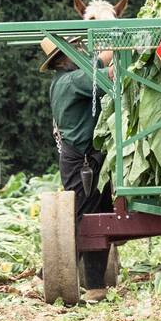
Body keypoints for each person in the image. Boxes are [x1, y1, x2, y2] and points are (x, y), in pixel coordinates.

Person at [40, 37, 114, 302]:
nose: (82, 53)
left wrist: (115, 46)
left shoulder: (71, 75)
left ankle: (90, 283)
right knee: (86, 219)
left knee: (97, 214)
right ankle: (49, 276)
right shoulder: (72, 81)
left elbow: (101, 61)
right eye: (76, 51)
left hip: (87, 158)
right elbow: (111, 74)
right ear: (62, 60)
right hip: (83, 161)